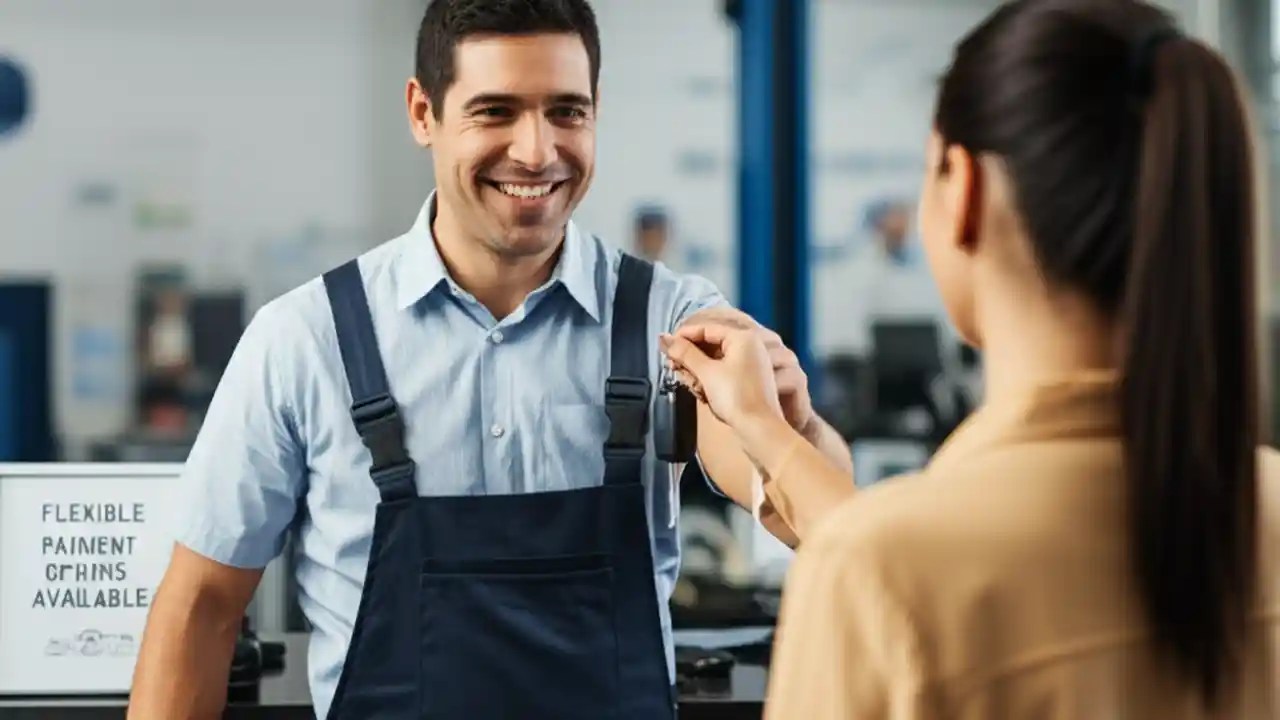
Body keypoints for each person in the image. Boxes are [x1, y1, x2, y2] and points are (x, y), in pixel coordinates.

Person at [126, 1, 853, 719]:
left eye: (566, 111)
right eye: (495, 110)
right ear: (423, 113)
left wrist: (792, 426)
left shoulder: (672, 322)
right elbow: (201, 606)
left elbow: (814, 528)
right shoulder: (303, 341)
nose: (536, 151)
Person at [664, 0, 1280, 717]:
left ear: (962, 189)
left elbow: (915, 583)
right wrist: (775, 443)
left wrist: (806, 485)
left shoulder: (884, 575)